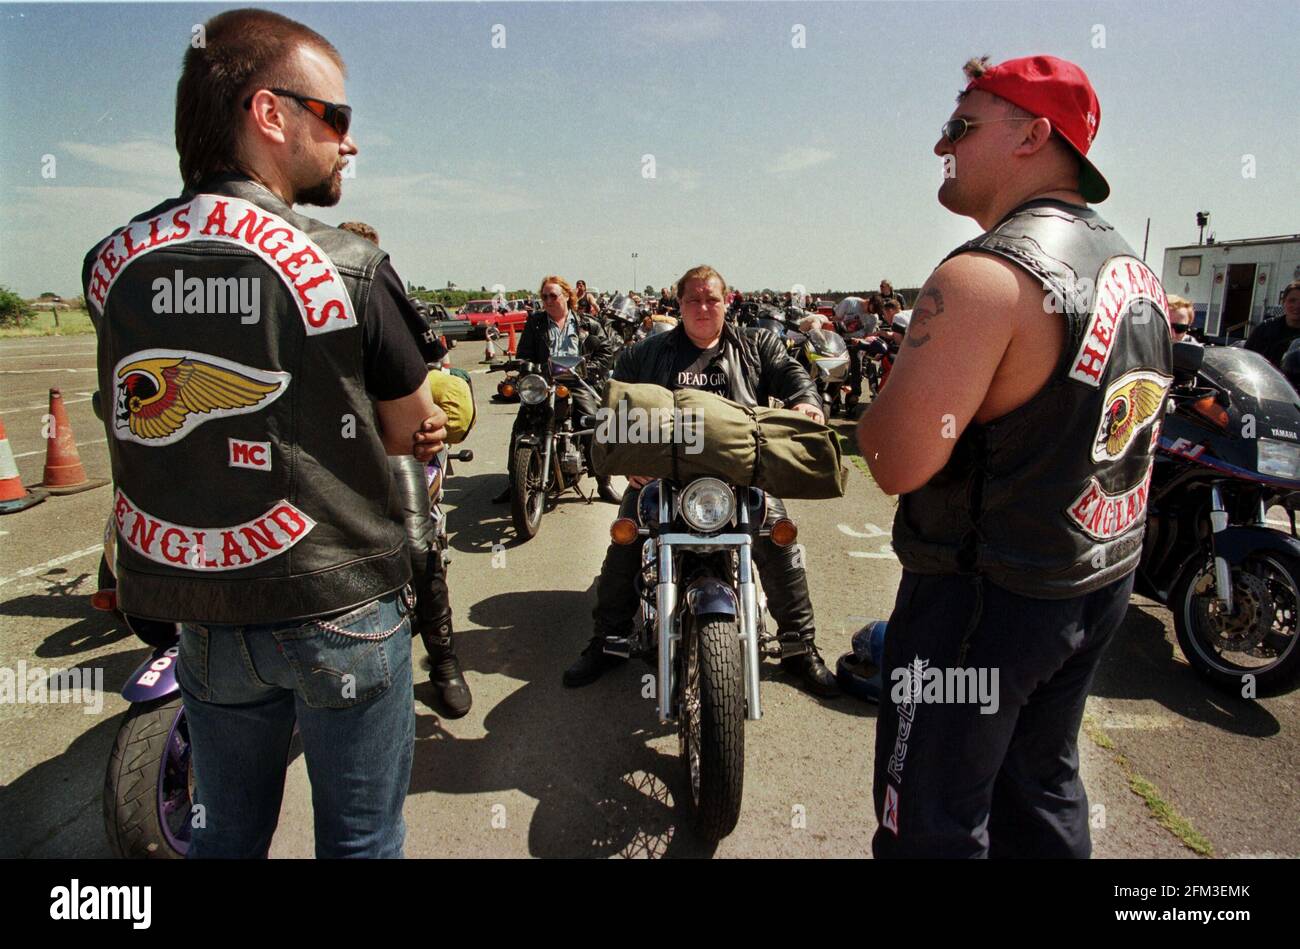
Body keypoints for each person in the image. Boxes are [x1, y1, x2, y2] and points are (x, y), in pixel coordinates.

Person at [82, 8, 449, 857]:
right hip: (338, 605)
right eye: (338, 117)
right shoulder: (350, 264)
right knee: (360, 841)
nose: (350, 143)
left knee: (227, 837)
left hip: (201, 609)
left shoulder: (111, 259)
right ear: (269, 113)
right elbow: (410, 427)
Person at [856, 55, 1173, 858]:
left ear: (1034, 135)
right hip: (1092, 582)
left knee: (928, 819)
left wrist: (879, 411)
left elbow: (895, 459)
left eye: (960, 126)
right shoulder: (1135, 272)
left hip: (980, 604)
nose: (941, 146)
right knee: (1042, 786)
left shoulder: (983, 277)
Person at [563, 265, 841, 697]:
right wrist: (625, 452)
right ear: (679, 304)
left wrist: (806, 402)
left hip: (740, 474)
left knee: (779, 535)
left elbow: (792, 373)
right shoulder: (648, 352)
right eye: (692, 299)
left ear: (726, 301)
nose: (703, 306)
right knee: (626, 534)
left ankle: (799, 646)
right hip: (663, 473)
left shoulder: (756, 344)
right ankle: (608, 639)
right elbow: (612, 394)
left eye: (711, 298)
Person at [339, 221, 470, 716]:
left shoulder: (385, 292)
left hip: (393, 446)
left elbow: (434, 354)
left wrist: (430, 414)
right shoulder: (307, 299)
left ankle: (444, 663)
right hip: (328, 449)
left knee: (418, 549)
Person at [492, 275, 618, 504]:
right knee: (521, 424)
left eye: (553, 296)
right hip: (545, 381)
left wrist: (587, 369)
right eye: (545, 296)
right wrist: (525, 366)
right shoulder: (536, 322)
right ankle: (515, 482)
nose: (548, 300)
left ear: (567, 297)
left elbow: (606, 352)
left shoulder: (587, 323)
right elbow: (524, 354)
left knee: (592, 423)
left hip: (577, 382)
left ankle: (604, 483)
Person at [1245, 280, 1300, 368]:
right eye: (1292, 300)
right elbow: (1245, 358)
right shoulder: (1265, 329)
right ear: (1283, 302)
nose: (1297, 306)